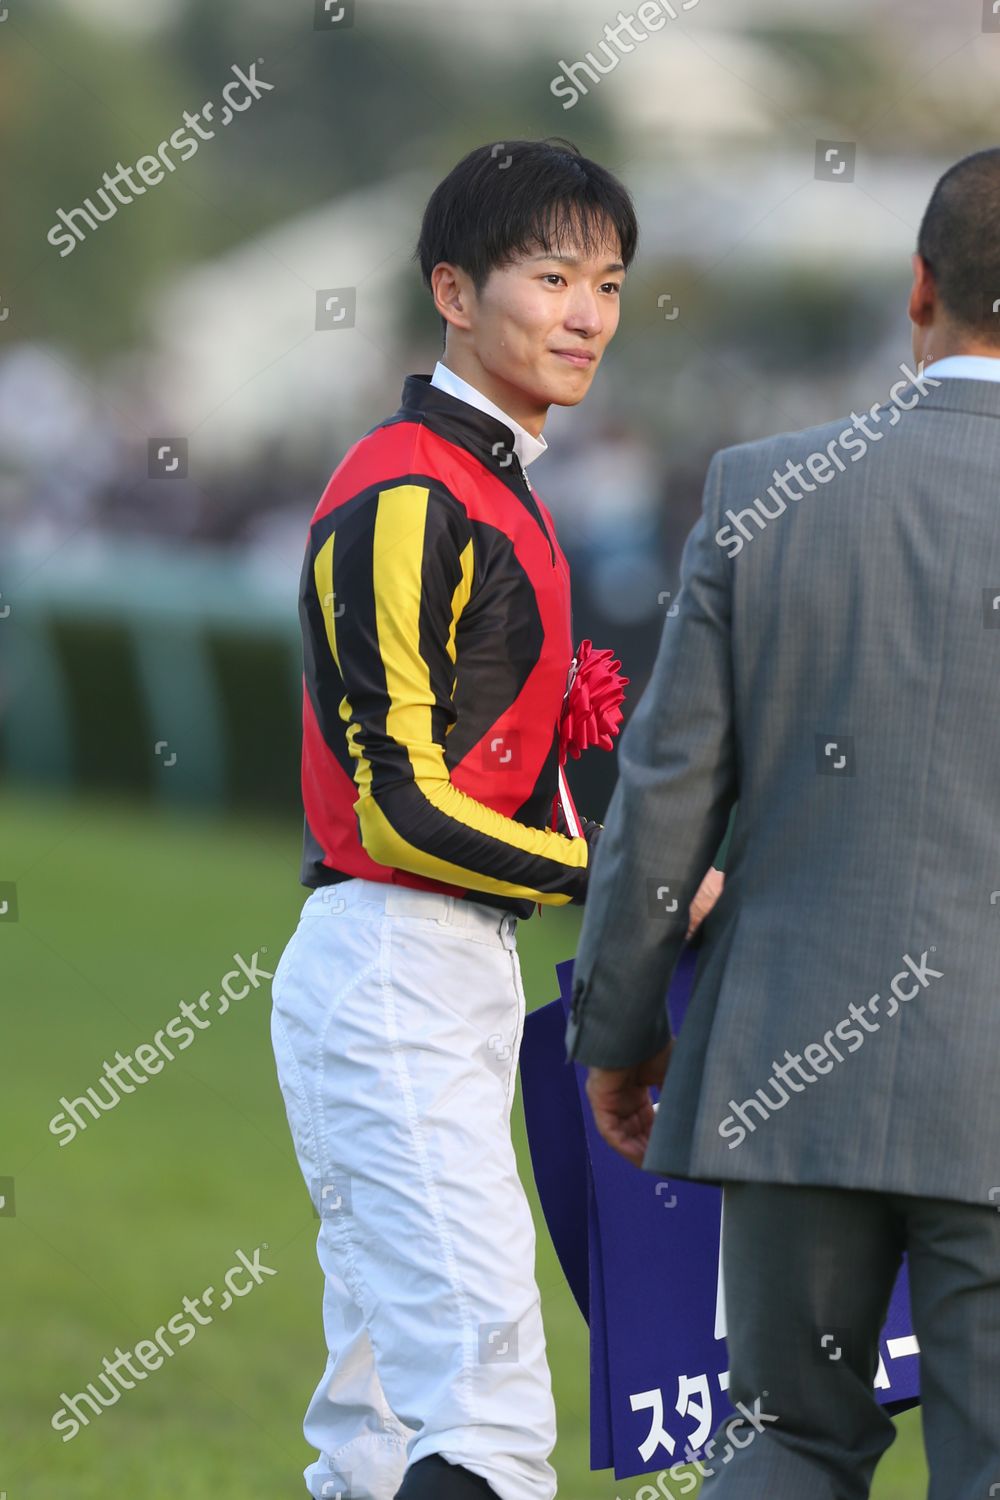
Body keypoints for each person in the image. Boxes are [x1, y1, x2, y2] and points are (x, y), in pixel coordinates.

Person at [565, 146, 1000, 1498]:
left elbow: (664, 799)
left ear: (919, 285)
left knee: (788, 1444)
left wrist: (622, 1036)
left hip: (791, 1062)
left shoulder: (765, 490)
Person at [269, 137, 637, 1500]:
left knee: (374, 1442)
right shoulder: (410, 486)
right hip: (393, 959)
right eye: (552, 276)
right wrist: (623, 879)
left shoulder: (501, 484)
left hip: (441, 968)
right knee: (485, 1424)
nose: (588, 313)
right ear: (455, 290)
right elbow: (404, 807)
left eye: (606, 281)